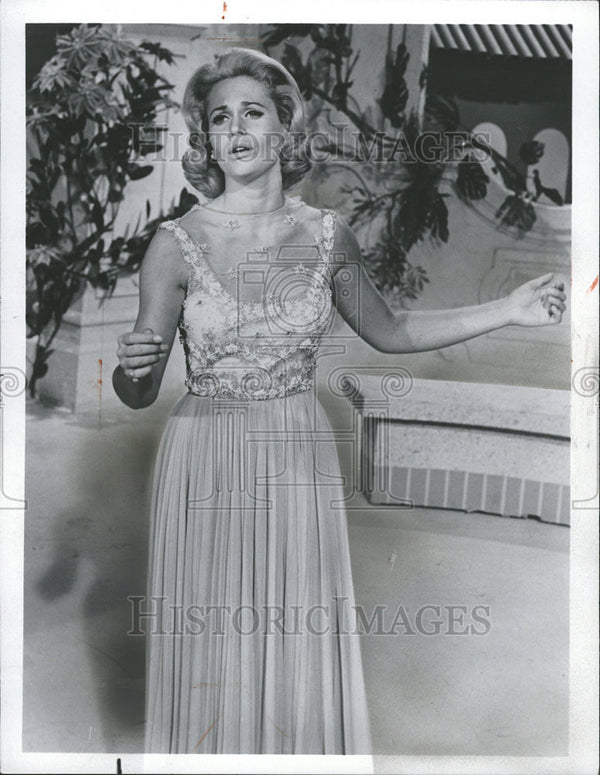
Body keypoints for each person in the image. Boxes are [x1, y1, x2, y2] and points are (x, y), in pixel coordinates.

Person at [112, 47, 567, 755]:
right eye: (219, 117)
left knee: (293, 629)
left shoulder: (329, 237)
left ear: (286, 129)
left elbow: (393, 330)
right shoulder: (173, 245)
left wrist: (505, 309)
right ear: (206, 139)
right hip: (204, 455)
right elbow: (136, 390)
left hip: (296, 448)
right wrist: (132, 370)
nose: (235, 128)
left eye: (253, 112)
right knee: (213, 636)